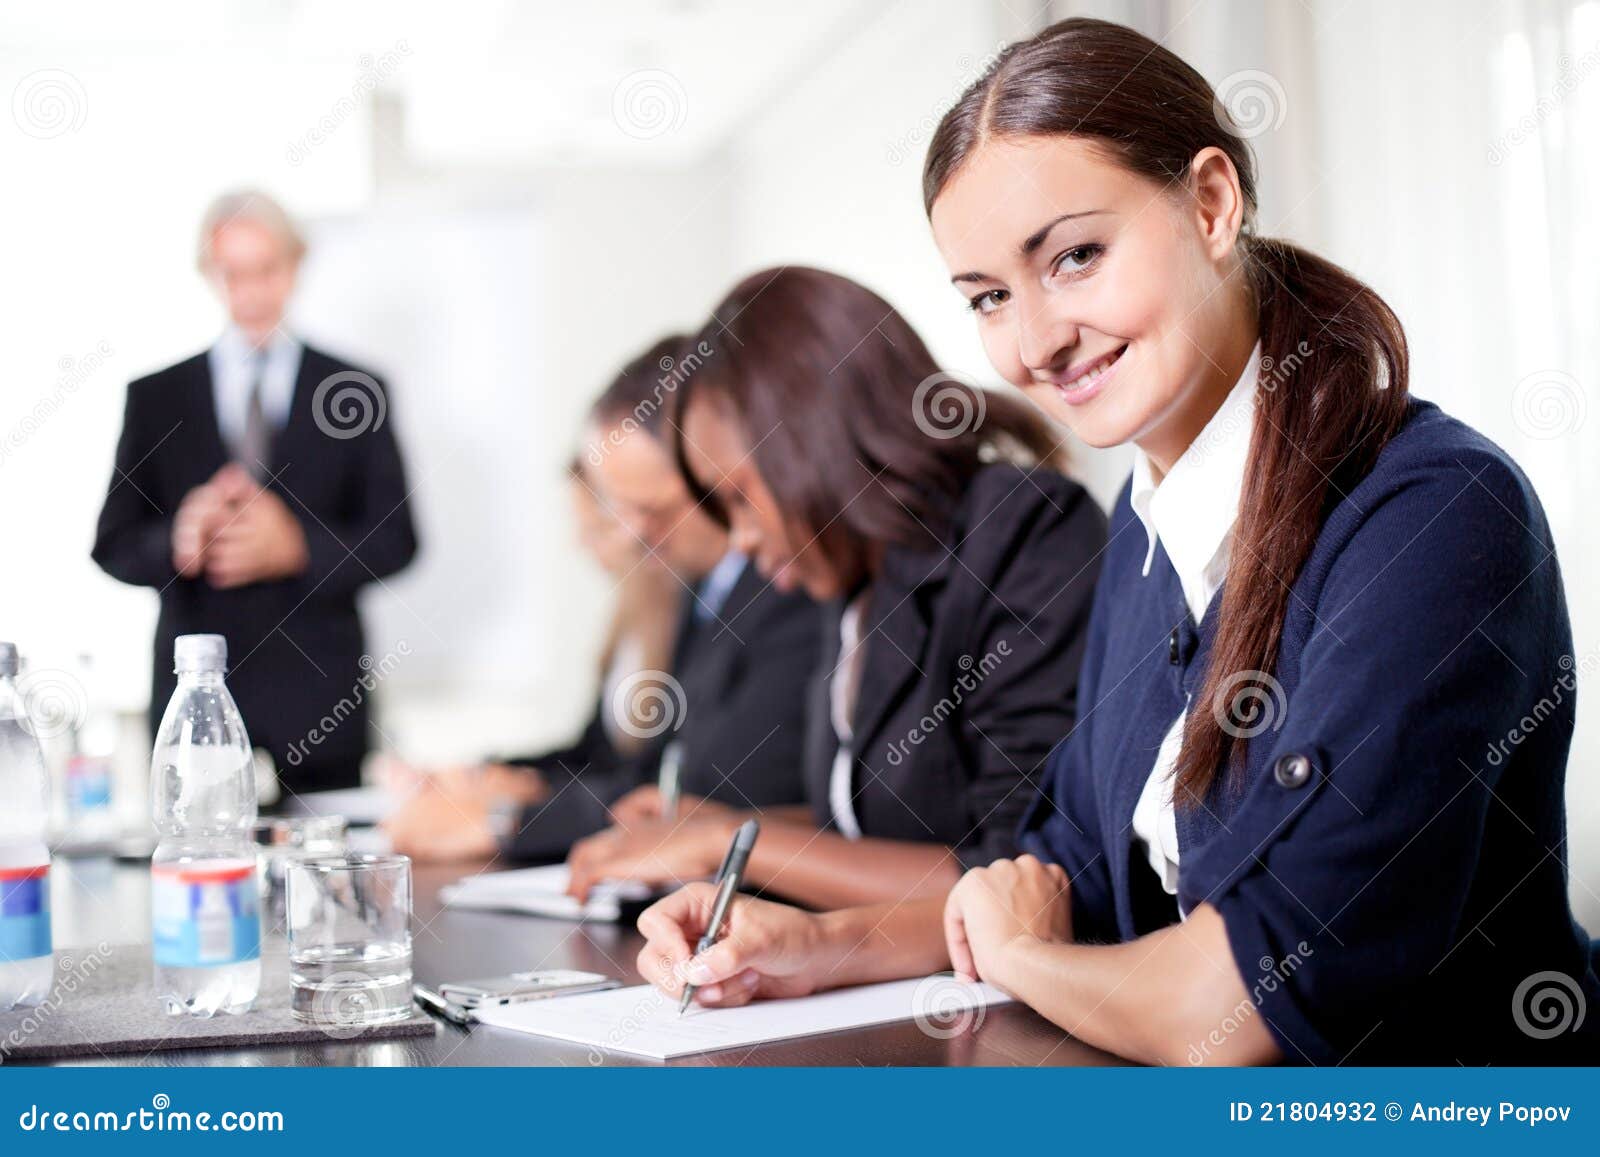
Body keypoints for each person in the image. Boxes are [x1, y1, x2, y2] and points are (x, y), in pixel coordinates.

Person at [632, 18, 1600, 1066]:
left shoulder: (1431, 515)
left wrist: (1024, 957)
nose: (1035, 340)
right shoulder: (1151, 524)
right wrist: (813, 947)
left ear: (1212, 202)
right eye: (991, 297)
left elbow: (1240, 1003)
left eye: (1076, 256)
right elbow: (1066, 875)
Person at [565, 268, 1106, 910]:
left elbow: (1017, 873)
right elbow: (867, 830)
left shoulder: (1024, 529)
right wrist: (706, 827)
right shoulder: (854, 577)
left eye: (740, 498)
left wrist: (734, 843)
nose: (737, 540)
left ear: (813, 448)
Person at [386, 336, 823, 862]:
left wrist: (511, 820)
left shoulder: (788, 588)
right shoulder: (697, 591)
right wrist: (501, 781)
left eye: (654, 509)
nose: (634, 534)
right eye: (621, 509)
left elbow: (712, 793)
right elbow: (627, 767)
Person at [92, 189, 417, 800]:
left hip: (323, 706)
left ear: (295, 265)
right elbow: (111, 544)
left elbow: (397, 539)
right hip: (197, 711)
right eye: (232, 273)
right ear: (208, 274)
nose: (251, 292)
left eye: (266, 270)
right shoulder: (155, 397)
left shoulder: (355, 388)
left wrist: (298, 548)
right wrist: (179, 543)